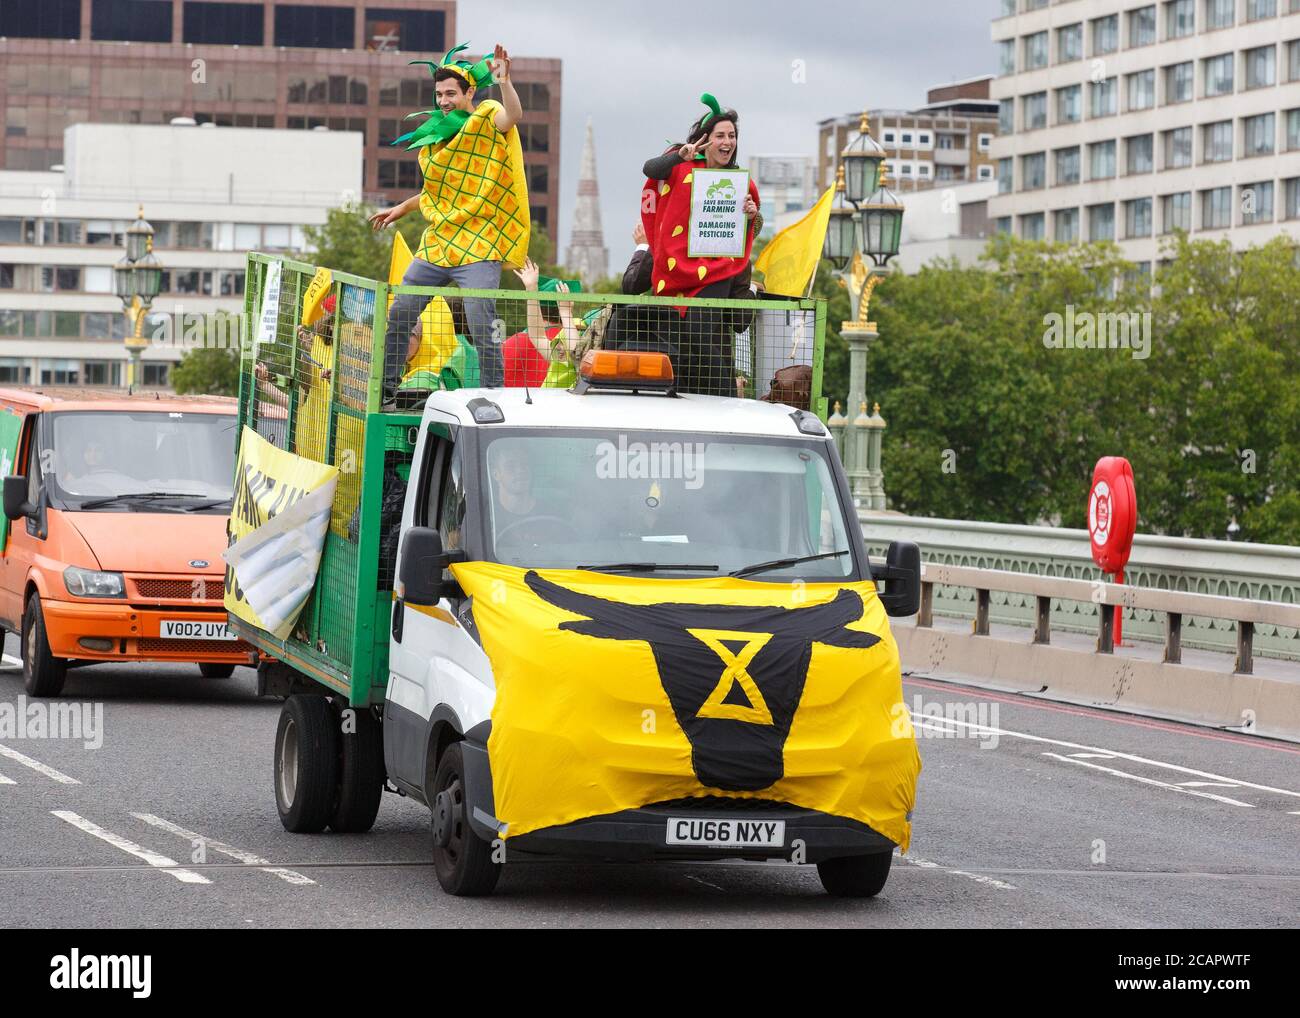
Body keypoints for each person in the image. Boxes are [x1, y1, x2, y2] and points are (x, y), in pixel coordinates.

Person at [369, 42, 530, 398]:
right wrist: (401, 209)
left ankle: (494, 395)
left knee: (480, 319)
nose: (443, 100)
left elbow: (513, 116)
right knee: (401, 312)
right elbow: (439, 193)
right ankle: (387, 390)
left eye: (450, 93)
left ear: (469, 92)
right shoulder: (438, 138)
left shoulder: (486, 119)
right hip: (440, 241)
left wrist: (504, 81)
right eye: (439, 94)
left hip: (479, 243)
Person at [640, 94, 763, 396]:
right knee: (681, 338)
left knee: (700, 322)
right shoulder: (680, 165)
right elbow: (649, 169)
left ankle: (724, 393)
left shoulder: (739, 182)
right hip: (675, 269)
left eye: (732, 136)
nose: (727, 141)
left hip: (719, 268)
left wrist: (752, 215)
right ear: (707, 139)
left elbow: (753, 231)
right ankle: (684, 393)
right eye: (721, 135)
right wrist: (680, 155)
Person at [502, 257, 580, 387]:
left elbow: (576, 354)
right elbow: (537, 336)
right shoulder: (564, 347)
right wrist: (566, 313)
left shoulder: (568, 349)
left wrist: (532, 290)